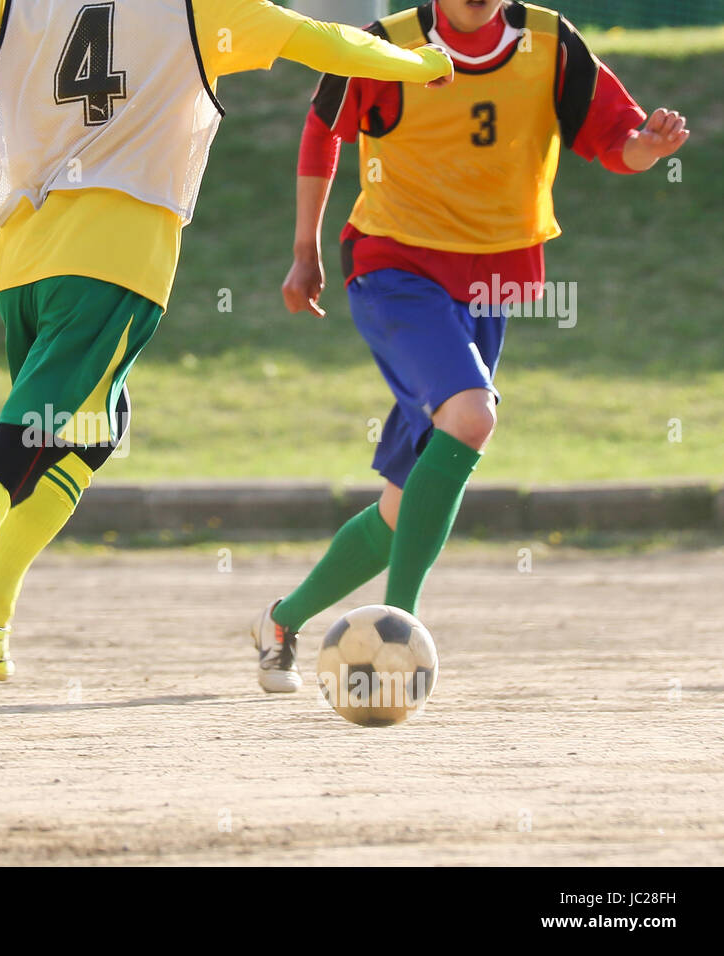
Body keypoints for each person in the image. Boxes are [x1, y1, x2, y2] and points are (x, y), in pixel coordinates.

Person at [0, 0, 453, 736]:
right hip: (113, 265)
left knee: (91, 430)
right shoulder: (196, 10)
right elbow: (324, 40)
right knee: (18, 453)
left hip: (24, 271)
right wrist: (421, 61)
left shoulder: (9, 11)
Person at [251, 0, 689, 692]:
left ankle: (281, 621)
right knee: (472, 415)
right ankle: (398, 630)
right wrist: (304, 249)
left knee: (403, 506)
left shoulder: (549, 43)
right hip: (393, 268)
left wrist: (651, 147)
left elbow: (614, 140)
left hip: (490, 288)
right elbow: (322, 128)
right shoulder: (388, 46)